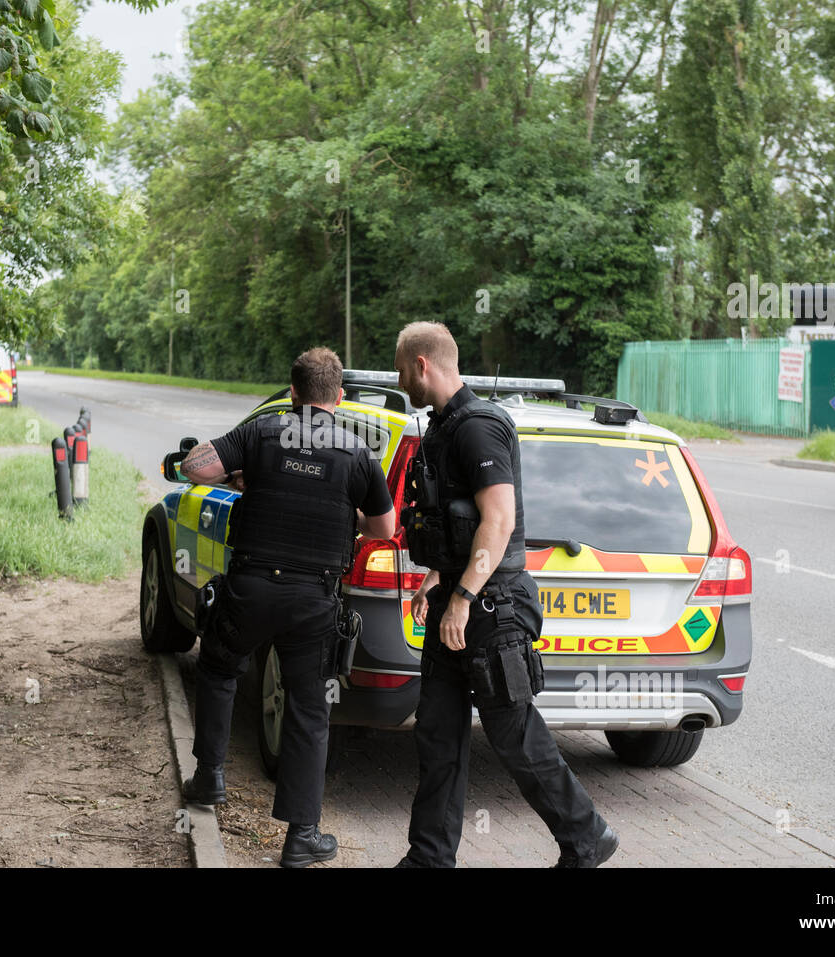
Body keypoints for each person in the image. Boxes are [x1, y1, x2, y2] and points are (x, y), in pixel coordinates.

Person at [392, 321, 618, 868]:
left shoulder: (479, 428)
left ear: (422, 364)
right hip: (456, 599)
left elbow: (499, 520)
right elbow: (458, 522)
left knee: (513, 733)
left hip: (494, 608)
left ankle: (587, 838)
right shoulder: (443, 428)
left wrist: (465, 595)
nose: (402, 381)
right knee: (438, 735)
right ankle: (428, 858)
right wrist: (437, 580)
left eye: (403, 370)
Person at [179, 346, 396, 867]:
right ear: (338, 397)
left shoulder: (261, 432)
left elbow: (193, 467)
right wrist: (349, 518)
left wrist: (243, 478)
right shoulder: (356, 451)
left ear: (293, 390)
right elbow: (385, 529)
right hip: (313, 601)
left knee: (217, 668)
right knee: (309, 709)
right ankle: (301, 837)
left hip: (251, 587)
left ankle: (209, 778)